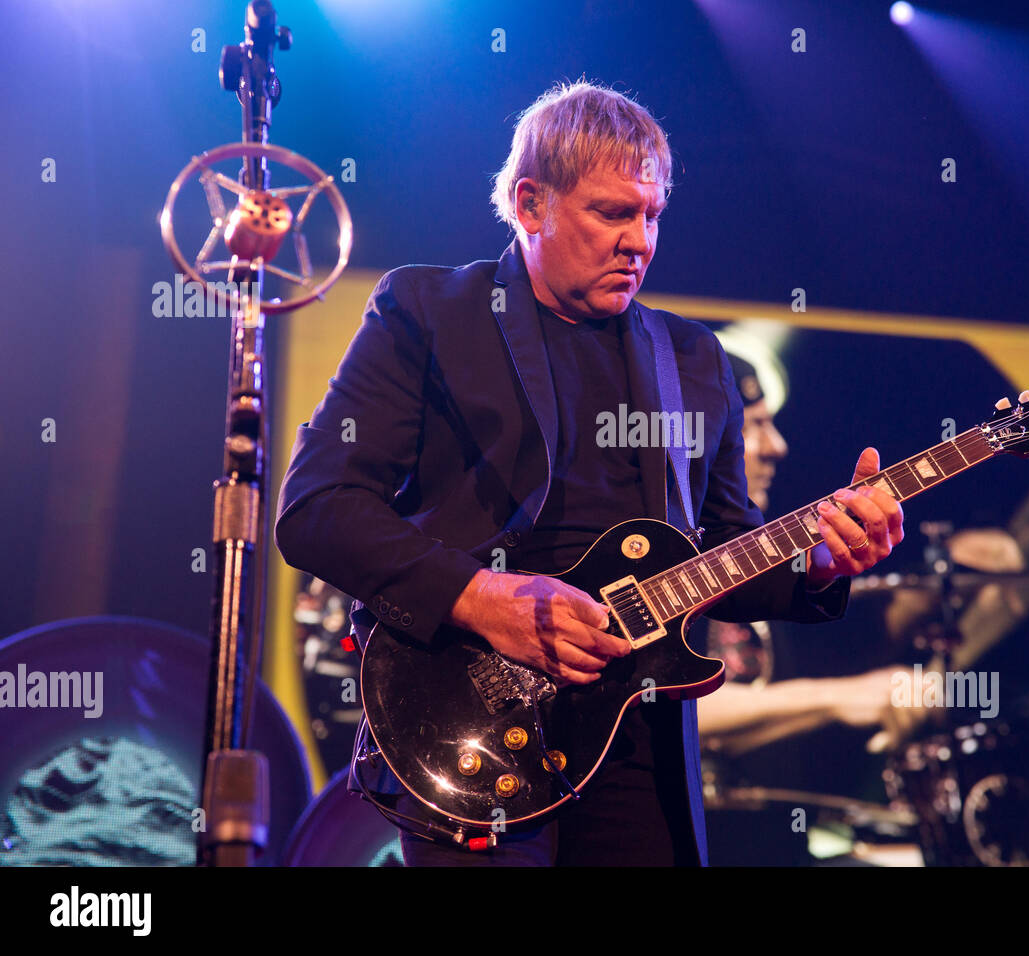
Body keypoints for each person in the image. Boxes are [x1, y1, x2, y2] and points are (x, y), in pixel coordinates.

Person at [274, 80, 904, 867]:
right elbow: (318, 508)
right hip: (467, 718)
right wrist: (479, 597)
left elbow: (727, 552)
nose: (639, 241)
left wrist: (819, 560)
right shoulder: (429, 310)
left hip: (638, 743)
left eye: (652, 216)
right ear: (532, 203)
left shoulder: (695, 358)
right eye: (612, 213)